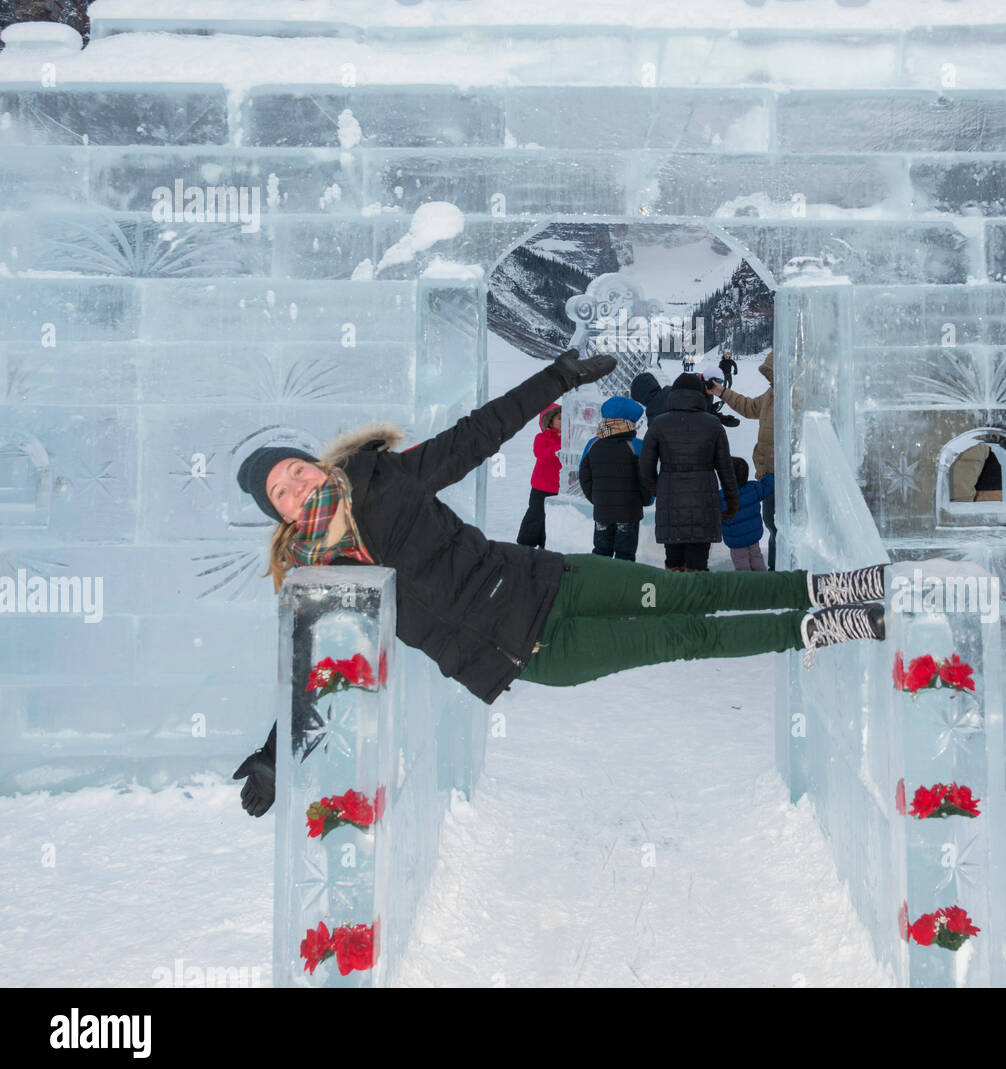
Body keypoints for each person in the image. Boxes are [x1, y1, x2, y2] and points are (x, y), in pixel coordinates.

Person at [230, 348, 899, 818]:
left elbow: (476, 436)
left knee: (696, 593)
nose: (296, 487)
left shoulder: (384, 480)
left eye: (295, 471)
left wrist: (555, 378)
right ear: (281, 516)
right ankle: (816, 625)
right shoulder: (325, 578)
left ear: (313, 465)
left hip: (555, 577)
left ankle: (831, 587)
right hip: (530, 652)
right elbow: (310, 671)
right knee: (683, 637)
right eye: (280, 493)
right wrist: (273, 759)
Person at [639, 373, 737, 573]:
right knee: (698, 564)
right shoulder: (713, 424)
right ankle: (698, 601)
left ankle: (675, 601)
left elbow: (645, 467)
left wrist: (658, 489)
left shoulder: (658, 423)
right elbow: (726, 469)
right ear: (700, 395)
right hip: (704, 501)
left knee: (673, 562)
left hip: (670, 499)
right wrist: (732, 501)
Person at [709, 350, 776, 568]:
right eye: (767, 374)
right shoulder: (770, 395)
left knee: (779, 528)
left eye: (771, 373)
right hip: (768, 474)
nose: (768, 378)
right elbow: (748, 407)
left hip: (783, 478)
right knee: (772, 525)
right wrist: (722, 392)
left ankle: (778, 575)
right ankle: (772, 575)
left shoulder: (797, 398)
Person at [578, 396, 650, 561]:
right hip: (629, 512)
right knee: (625, 556)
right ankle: (621, 586)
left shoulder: (592, 444)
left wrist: (596, 498)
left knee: (601, 553)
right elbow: (646, 478)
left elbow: (584, 475)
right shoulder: (637, 445)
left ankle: (599, 584)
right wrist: (645, 500)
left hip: (602, 510)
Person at [516, 402, 561, 548]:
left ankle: (545, 545)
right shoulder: (541, 438)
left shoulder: (567, 439)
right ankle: (525, 544)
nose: (563, 421)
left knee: (549, 519)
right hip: (541, 486)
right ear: (549, 421)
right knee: (535, 516)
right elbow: (540, 453)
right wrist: (558, 449)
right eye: (559, 418)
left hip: (557, 488)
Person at [719, 457, 774, 571]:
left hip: (736, 541)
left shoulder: (721, 497)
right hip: (753, 537)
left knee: (741, 565)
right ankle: (763, 583)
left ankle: (746, 585)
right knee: (757, 559)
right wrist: (769, 473)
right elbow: (767, 486)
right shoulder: (753, 488)